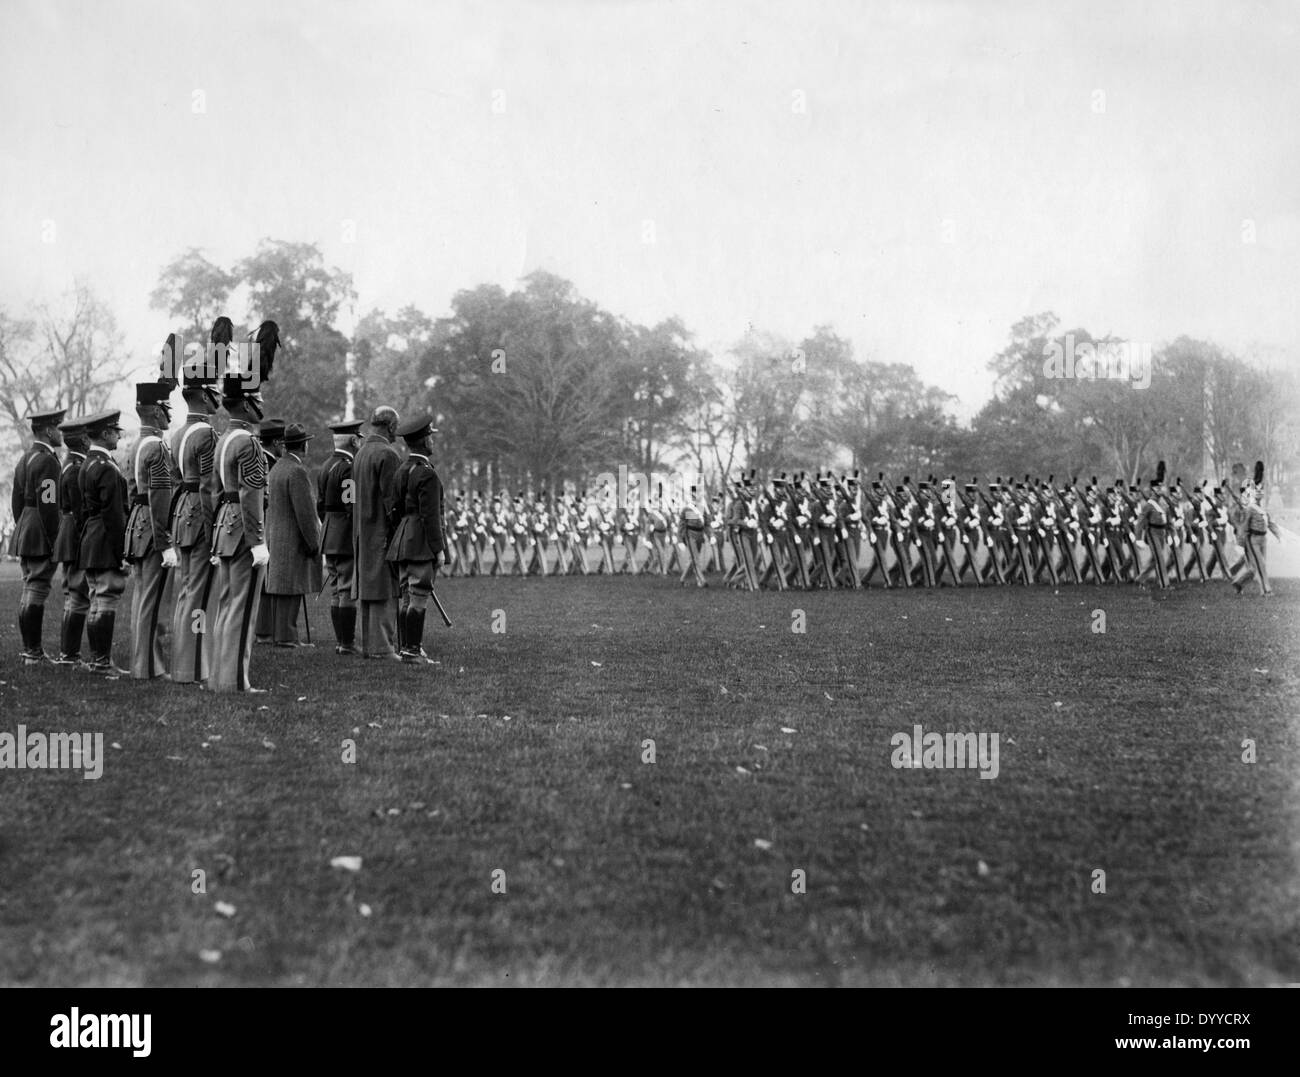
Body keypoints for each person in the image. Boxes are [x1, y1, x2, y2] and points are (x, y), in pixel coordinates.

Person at [209, 321, 279, 693]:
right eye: (259, 402)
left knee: (226, 604)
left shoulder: (223, 440)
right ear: (249, 403)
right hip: (243, 531)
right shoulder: (249, 444)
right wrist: (258, 542)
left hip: (224, 527)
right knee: (243, 607)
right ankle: (236, 681)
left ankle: (222, 677)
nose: (262, 408)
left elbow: (213, 490)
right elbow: (252, 497)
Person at [168, 347, 222, 684]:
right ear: (202, 395)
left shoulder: (176, 434)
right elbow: (207, 488)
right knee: (199, 593)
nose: (217, 397)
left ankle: (182, 662)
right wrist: (214, 531)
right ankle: (194, 665)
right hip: (200, 517)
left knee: (187, 589)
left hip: (181, 515)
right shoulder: (207, 434)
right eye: (213, 392)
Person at [124, 380, 177, 680]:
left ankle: (140, 662)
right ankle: (149, 666)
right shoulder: (157, 447)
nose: (169, 414)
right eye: (167, 408)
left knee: (142, 599)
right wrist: (165, 541)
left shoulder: (136, 444)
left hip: (137, 524)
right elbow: (160, 498)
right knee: (153, 602)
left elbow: (134, 491)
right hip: (152, 528)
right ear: (156, 411)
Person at [386, 416, 444, 664]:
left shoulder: (401, 470)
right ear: (423, 441)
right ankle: (412, 650)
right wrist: (439, 549)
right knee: (418, 594)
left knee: (406, 596)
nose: (432, 440)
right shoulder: (427, 474)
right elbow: (431, 517)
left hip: (402, 538)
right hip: (420, 540)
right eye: (430, 436)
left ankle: (407, 648)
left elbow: (394, 509)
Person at [11, 406, 65, 663]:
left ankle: (30, 649)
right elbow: (49, 504)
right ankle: (33, 651)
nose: (61, 432)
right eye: (58, 427)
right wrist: (54, 538)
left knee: (29, 586)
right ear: (47, 430)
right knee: (37, 587)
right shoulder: (47, 460)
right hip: (40, 529)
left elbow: (16, 502)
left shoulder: (25, 458)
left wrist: (24, 526)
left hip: (26, 526)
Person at [77, 411, 130, 677]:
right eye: (116, 431)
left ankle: (97, 659)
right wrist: (122, 552)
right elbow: (114, 515)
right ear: (106, 434)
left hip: (90, 538)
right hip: (105, 539)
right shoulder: (107, 468)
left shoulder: (86, 464)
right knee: (106, 599)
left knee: (96, 599)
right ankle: (102, 661)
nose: (119, 436)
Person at [351, 406, 402, 660]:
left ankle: (371, 645)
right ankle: (382, 646)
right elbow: (392, 502)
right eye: (396, 427)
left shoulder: (360, 453)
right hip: (382, 533)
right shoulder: (387, 454)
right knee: (383, 589)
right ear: (390, 426)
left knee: (368, 590)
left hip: (363, 532)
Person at [266, 423, 322, 646]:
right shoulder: (297, 471)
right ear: (304, 445)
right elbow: (305, 513)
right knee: (291, 589)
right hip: (292, 539)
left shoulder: (278, 467)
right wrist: (314, 542)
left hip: (276, 536)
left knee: (281, 590)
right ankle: (288, 637)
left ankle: (282, 635)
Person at [317, 419, 363, 654]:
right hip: (344, 535)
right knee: (345, 589)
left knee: (336, 589)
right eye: (359, 438)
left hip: (329, 533)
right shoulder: (348, 467)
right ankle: (347, 643)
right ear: (353, 440)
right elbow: (350, 504)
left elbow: (320, 505)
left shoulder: (326, 465)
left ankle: (341, 641)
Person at [51, 417, 90, 665]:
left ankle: (69, 653)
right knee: (77, 594)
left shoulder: (71, 464)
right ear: (84, 440)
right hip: (75, 535)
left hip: (68, 533)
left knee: (74, 594)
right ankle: (69, 654)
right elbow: (79, 510)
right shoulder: (76, 467)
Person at [252, 417, 286, 645]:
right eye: (282, 442)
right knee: (263, 580)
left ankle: (263, 628)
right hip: (265, 526)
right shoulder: (269, 465)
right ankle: (264, 630)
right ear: (275, 442)